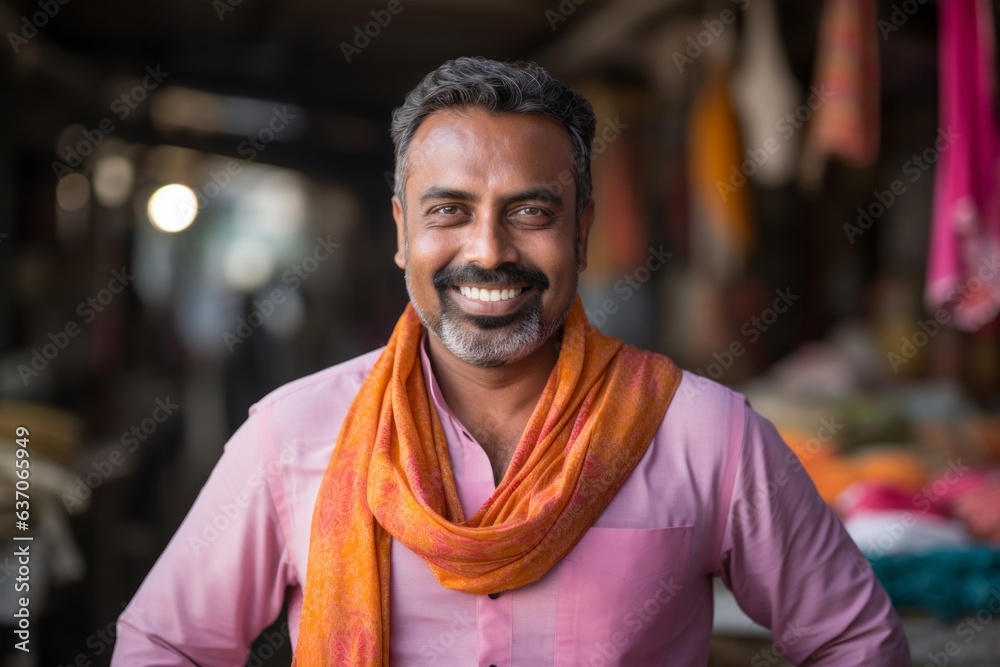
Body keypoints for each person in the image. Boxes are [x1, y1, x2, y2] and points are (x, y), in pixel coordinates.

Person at [112, 56, 910, 666]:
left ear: (582, 230)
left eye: (531, 212)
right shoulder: (290, 437)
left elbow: (856, 639)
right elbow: (163, 644)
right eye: (449, 212)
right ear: (401, 232)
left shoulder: (707, 433)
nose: (488, 251)